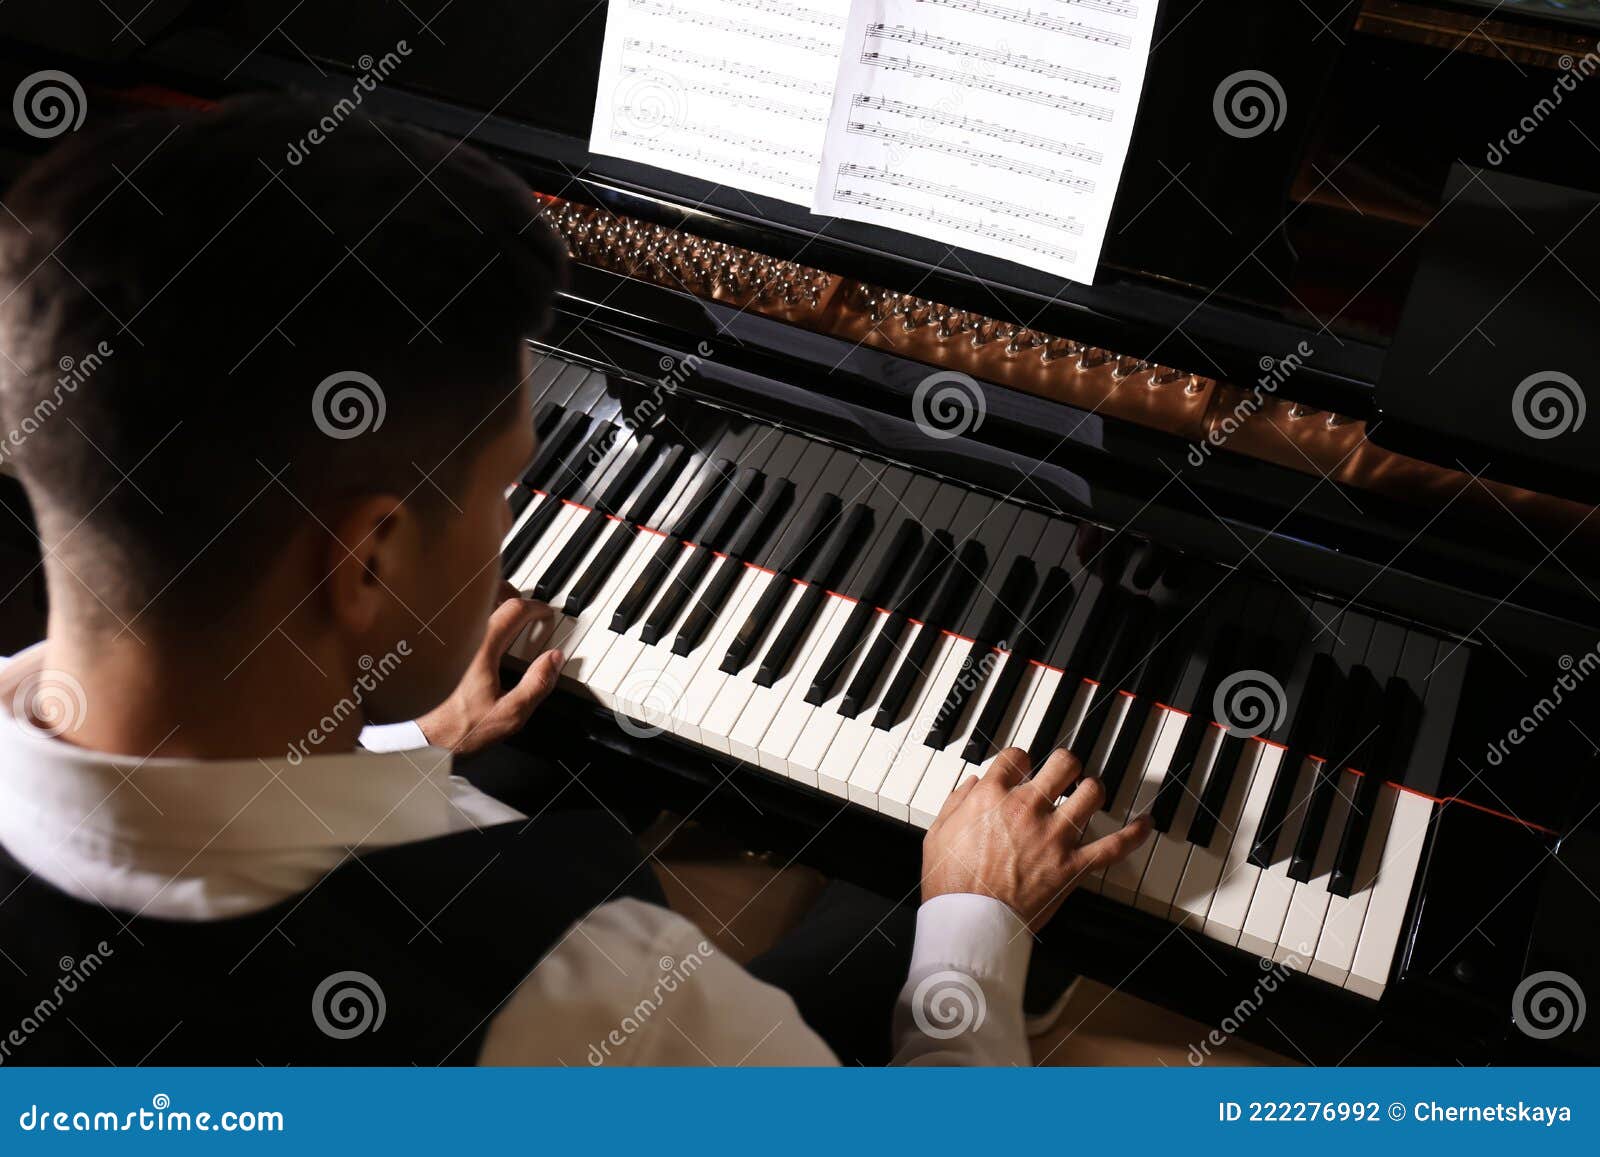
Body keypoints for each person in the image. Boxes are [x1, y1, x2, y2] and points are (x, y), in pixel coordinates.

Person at [0, 94, 1149, 1066]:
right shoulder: (600, 998)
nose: (510, 518)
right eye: (509, 484)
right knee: (905, 917)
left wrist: (396, 740)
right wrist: (977, 926)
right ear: (365, 560)